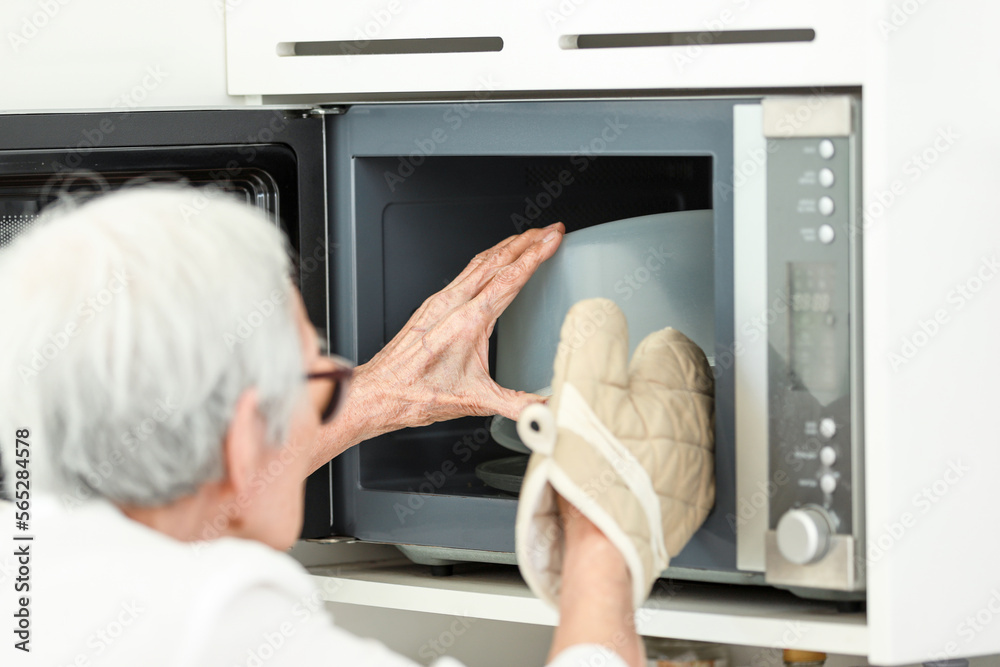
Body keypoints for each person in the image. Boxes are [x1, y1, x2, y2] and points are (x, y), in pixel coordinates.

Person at [0, 187, 644, 666]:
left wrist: (383, 394)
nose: (333, 398)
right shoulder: (219, 620)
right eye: (320, 381)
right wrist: (600, 531)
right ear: (247, 433)